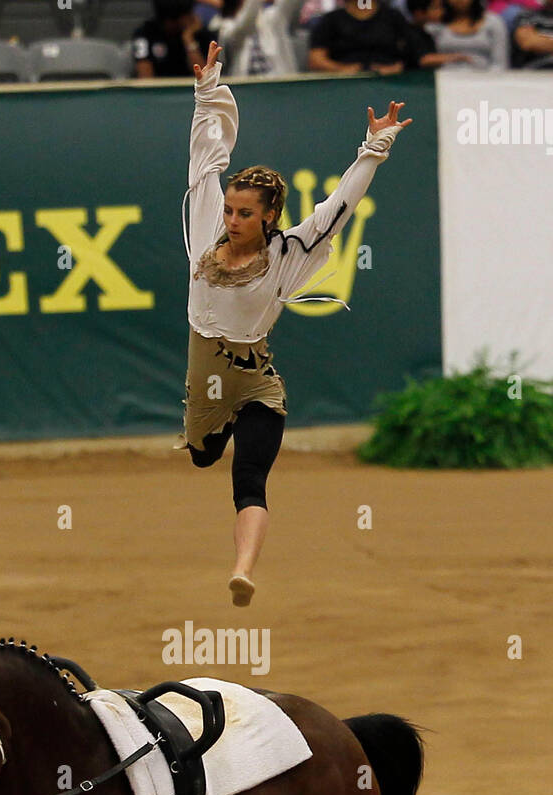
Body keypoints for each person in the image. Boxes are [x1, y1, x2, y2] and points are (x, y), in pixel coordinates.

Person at [178, 41, 409, 605]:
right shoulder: (207, 234)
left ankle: (243, 571)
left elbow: (339, 208)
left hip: (256, 381)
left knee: (249, 481)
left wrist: (373, 148)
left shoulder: (289, 252)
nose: (232, 220)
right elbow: (205, 160)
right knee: (204, 454)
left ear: (270, 217)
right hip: (206, 389)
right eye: (231, 210)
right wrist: (208, 92)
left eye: (246, 213)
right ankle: (213, 432)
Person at [308, 0, 427, 75]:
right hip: (345, 84)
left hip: (390, 81)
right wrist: (342, 69)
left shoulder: (393, 17)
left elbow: (416, 54)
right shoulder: (331, 20)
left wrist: (397, 67)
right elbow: (316, 60)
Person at [210, 0, 304, 76]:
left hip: (281, 82)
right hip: (247, 87)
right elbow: (246, 22)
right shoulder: (224, 26)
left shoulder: (272, 18)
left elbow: (288, 4)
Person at [132, 0, 219, 78]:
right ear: (170, 20)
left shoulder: (200, 34)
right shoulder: (144, 34)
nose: (194, 16)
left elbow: (205, 79)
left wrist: (188, 39)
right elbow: (145, 78)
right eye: (189, 13)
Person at [427, 0, 509, 66]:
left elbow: (500, 64)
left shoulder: (493, 22)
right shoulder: (435, 25)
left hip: (486, 79)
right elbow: (426, 59)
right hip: (444, 79)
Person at [404, 0, 481, 64]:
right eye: (435, 8)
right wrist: (458, 57)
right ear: (419, 13)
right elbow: (424, 59)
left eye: (441, 7)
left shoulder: (430, 30)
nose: (442, 12)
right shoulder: (410, 33)